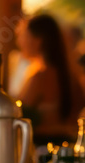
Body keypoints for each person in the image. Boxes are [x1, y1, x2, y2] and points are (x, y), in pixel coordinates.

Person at [17, 14, 85, 144]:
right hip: (69, 144)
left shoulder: (42, 76)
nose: (19, 42)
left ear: (38, 41)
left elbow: (17, 113)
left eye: (23, 36)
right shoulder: (70, 73)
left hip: (44, 147)